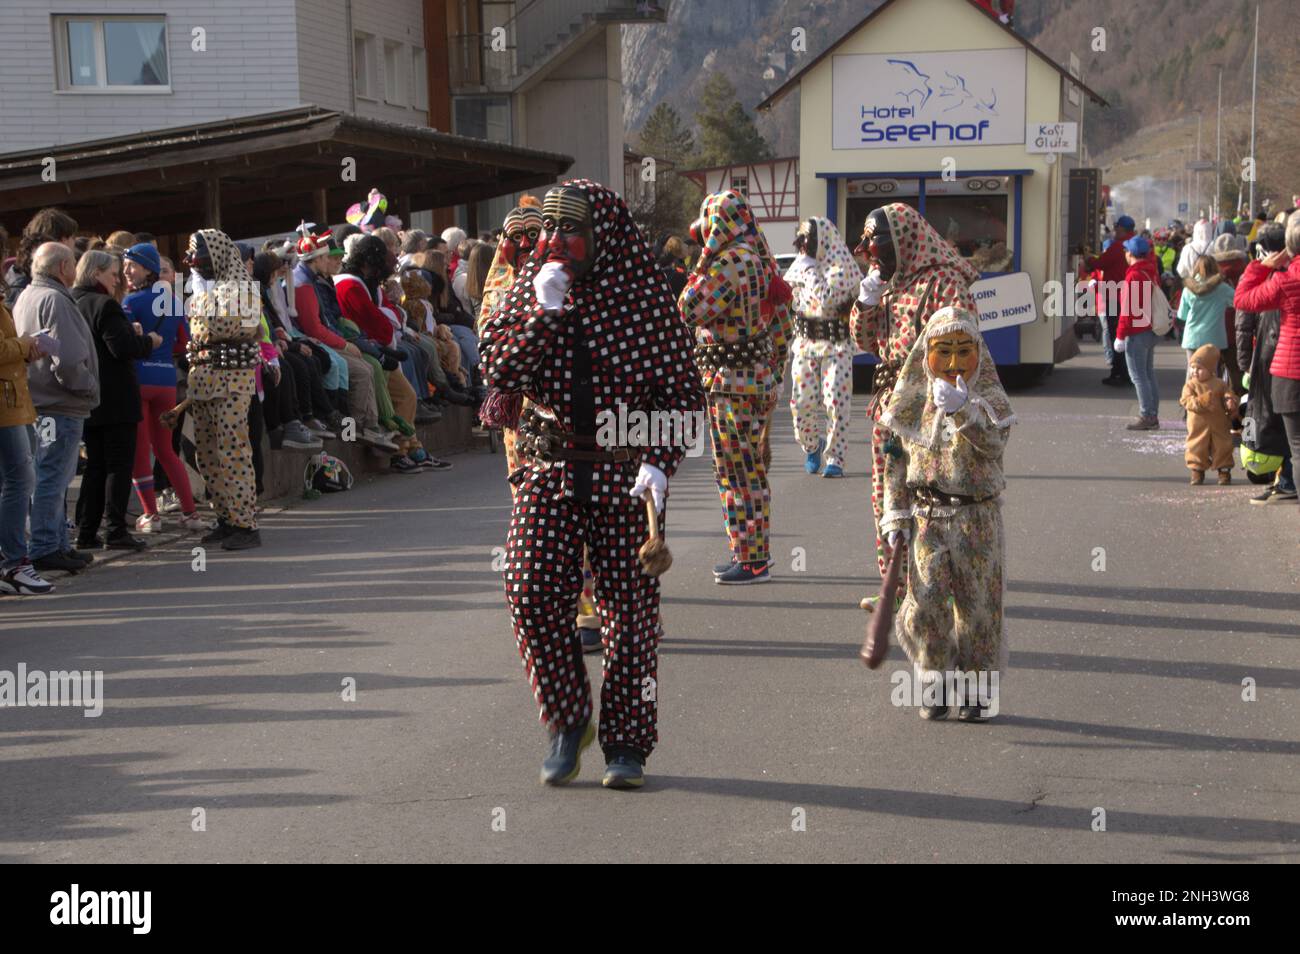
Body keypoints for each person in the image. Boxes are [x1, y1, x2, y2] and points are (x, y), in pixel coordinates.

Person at [480, 178, 705, 789]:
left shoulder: (648, 300)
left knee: (629, 614)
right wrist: (542, 313)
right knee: (528, 589)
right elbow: (497, 371)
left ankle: (627, 743)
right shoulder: (532, 286)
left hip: (624, 473)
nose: (553, 241)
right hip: (548, 465)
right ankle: (566, 717)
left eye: (568, 230)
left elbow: (683, 396)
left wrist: (659, 461)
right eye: (549, 229)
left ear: (600, 234)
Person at [876, 307, 1014, 720]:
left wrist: (963, 409)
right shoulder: (911, 400)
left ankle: (977, 691)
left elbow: (994, 442)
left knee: (978, 609)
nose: (954, 364)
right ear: (926, 354)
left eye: (962, 352)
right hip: (927, 517)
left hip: (977, 518)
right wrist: (896, 515)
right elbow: (895, 461)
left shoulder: (988, 398)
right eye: (943, 352)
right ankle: (935, 682)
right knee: (926, 604)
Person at [850, 202, 980, 590]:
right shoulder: (892, 282)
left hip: (928, 413)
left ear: (904, 241)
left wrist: (954, 399)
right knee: (887, 504)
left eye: (876, 242)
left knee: (929, 505)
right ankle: (894, 588)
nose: (868, 252)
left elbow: (962, 346)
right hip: (887, 411)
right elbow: (866, 341)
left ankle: (931, 589)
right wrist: (866, 302)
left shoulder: (944, 282)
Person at [679, 189, 793, 585]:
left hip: (731, 383)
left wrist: (697, 267)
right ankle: (750, 552)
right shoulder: (760, 259)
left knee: (736, 472)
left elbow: (690, 308)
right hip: (755, 378)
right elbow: (783, 322)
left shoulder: (728, 263)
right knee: (751, 469)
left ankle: (752, 559)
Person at [13, 243, 100, 573]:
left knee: (50, 474)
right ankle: (47, 545)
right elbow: (68, 359)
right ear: (64, 267)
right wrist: (88, 385)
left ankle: (57, 543)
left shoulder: (28, 295)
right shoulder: (54, 299)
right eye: (74, 263)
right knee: (54, 475)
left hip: (40, 400)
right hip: (59, 402)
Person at [70, 249, 162, 551]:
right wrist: (147, 341)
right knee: (117, 466)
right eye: (112, 274)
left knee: (95, 465)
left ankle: (86, 530)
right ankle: (116, 529)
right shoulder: (105, 305)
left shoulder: (74, 301)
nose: (117, 279)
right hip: (116, 397)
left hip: (90, 396)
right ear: (96, 273)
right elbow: (121, 347)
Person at [120, 243, 207, 534]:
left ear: (147, 268)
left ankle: (150, 516)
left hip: (139, 380)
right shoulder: (173, 301)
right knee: (167, 450)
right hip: (167, 381)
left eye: (132, 265)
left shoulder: (129, 303)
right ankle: (190, 513)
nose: (126, 271)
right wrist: (164, 349)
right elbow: (185, 343)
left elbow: (129, 344)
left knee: (141, 452)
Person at [185, 229, 263, 550]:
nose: (193, 263)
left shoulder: (242, 288)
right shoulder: (203, 291)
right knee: (207, 455)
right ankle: (225, 517)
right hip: (202, 382)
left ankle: (245, 524)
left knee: (233, 451)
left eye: (198, 255)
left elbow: (225, 327)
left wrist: (201, 307)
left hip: (231, 382)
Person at [784, 216, 859, 478]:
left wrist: (809, 271)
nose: (803, 248)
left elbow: (827, 300)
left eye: (808, 242)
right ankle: (812, 445)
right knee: (801, 403)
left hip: (836, 343)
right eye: (801, 242)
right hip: (805, 343)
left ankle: (836, 458)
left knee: (836, 401)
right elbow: (793, 301)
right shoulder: (802, 264)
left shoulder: (842, 265)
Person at [1233, 210, 1300, 501]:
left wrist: (1261, 266)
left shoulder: (1286, 281)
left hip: (1290, 373)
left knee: (1297, 446)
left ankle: (1289, 484)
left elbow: (1243, 300)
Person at [0, 265, 55, 595]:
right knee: (21, 479)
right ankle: (15, 563)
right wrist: (25, 344)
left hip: (12, 399)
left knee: (16, 479)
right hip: (5, 404)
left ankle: (11, 563)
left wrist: (25, 347)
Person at [1113, 235, 1161, 430]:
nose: (1124, 254)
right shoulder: (1150, 271)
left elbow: (1127, 310)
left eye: (1126, 251)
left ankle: (1147, 415)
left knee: (1138, 376)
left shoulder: (1133, 275)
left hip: (1136, 332)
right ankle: (1153, 414)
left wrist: (1119, 336)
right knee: (1148, 374)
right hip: (1150, 329)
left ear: (1131, 254)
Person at [1086, 214, 1137, 385]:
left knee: (1117, 334)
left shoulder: (1118, 247)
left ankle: (1120, 372)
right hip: (1131, 295)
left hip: (1115, 296)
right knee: (1126, 334)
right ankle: (1122, 370)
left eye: (1117, 228)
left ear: (1123, 229)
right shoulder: (1134, 244)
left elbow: (1100, 263)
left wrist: (1088, 257)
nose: (1115, 231)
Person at [1180, 344, 1237, 485]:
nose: (1195, 371)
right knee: (1196, 446)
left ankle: (1224, 471)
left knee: (1223, 445)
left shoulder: (1219, 384)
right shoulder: (1190, 385)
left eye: (1199, 368)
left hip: (1219, 423)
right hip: (1197, 425)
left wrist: (1230, 400)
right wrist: (1200, 401)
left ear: (1211, 369)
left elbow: (1228, 393)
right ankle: (1197, 471)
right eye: (1192, 367)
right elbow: (1185, 401)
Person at [6, 207, 79, 309]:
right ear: (62, 241)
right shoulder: (23, 286)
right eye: (72, 237)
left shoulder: (24, 277)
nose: (74, 244)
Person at [1178, 254, 1234, 366]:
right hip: (1214, 337)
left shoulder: (1188, 290)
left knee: (1192, 372)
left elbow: (1182, 315)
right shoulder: (1223, 288)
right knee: (1212, 372)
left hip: (1192, 337)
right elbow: (1238, 301)